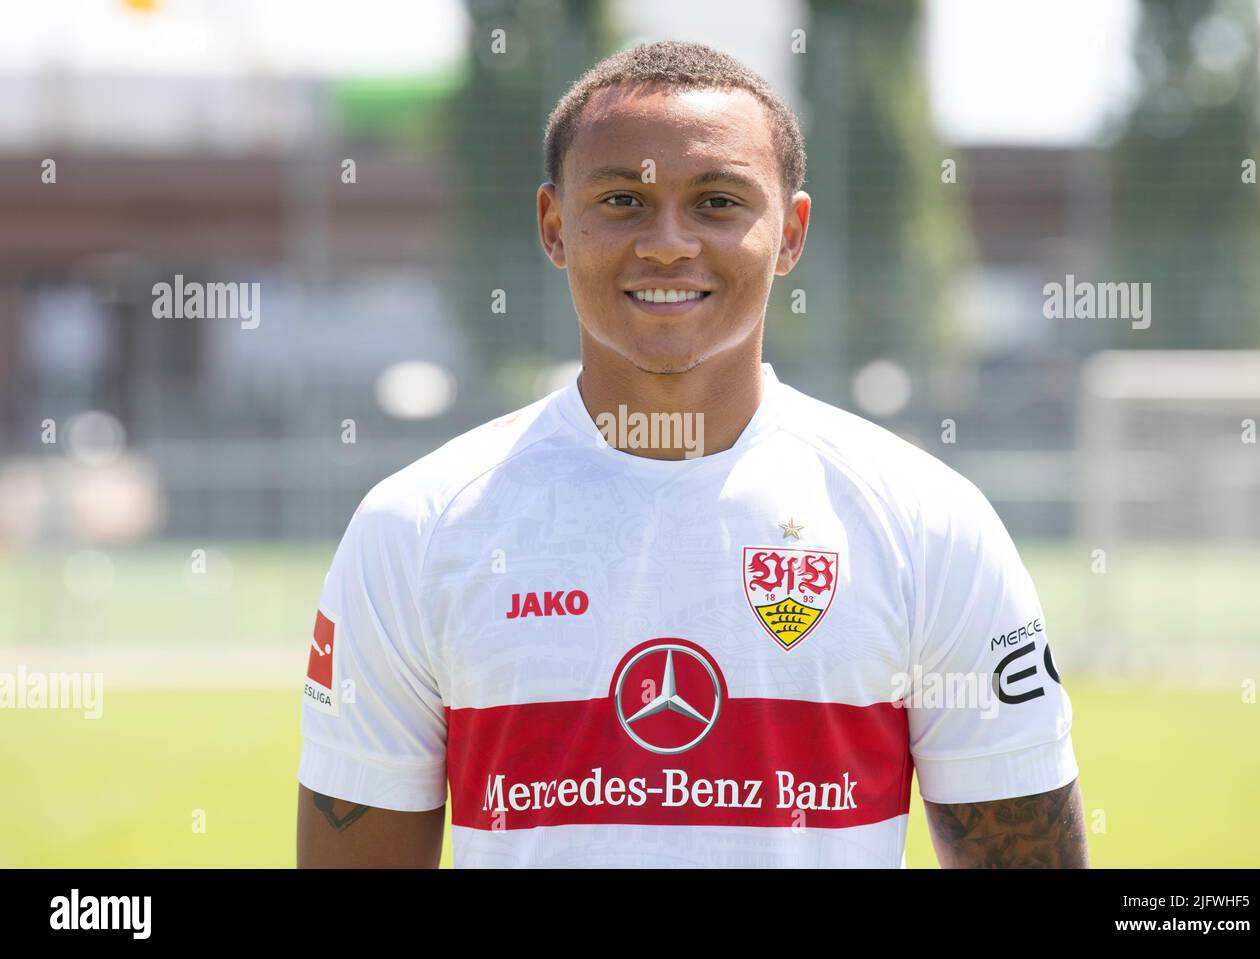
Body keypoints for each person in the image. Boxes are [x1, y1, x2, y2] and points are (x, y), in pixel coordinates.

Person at [296, 39, 1086, 868]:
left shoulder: (929, 522)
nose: (668, 242)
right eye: (623, 199)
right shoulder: (415, 528)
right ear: (555, 226)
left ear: (790, 233)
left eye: (717, 202)